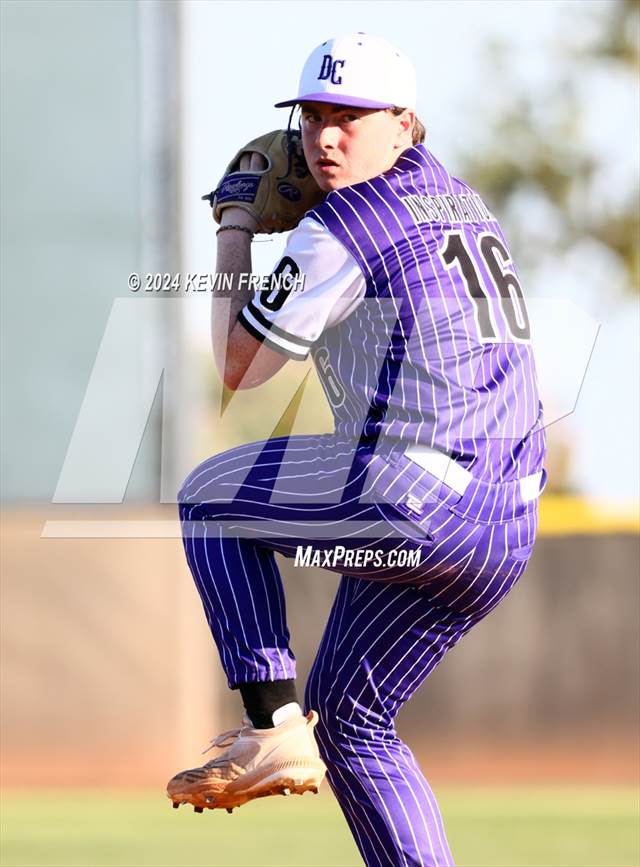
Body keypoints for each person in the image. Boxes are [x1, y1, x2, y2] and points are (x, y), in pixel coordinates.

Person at [167, 33, 546, 867]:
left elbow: (239, 364)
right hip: (507, 523)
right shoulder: (462, 199)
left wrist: (234, 223)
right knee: (350, 722)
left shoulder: (346, 224)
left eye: (352, 117)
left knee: (209, 499)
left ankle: (271, 726)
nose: (324, 137)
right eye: (314, 116)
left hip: (422, 496)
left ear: (406, 123)